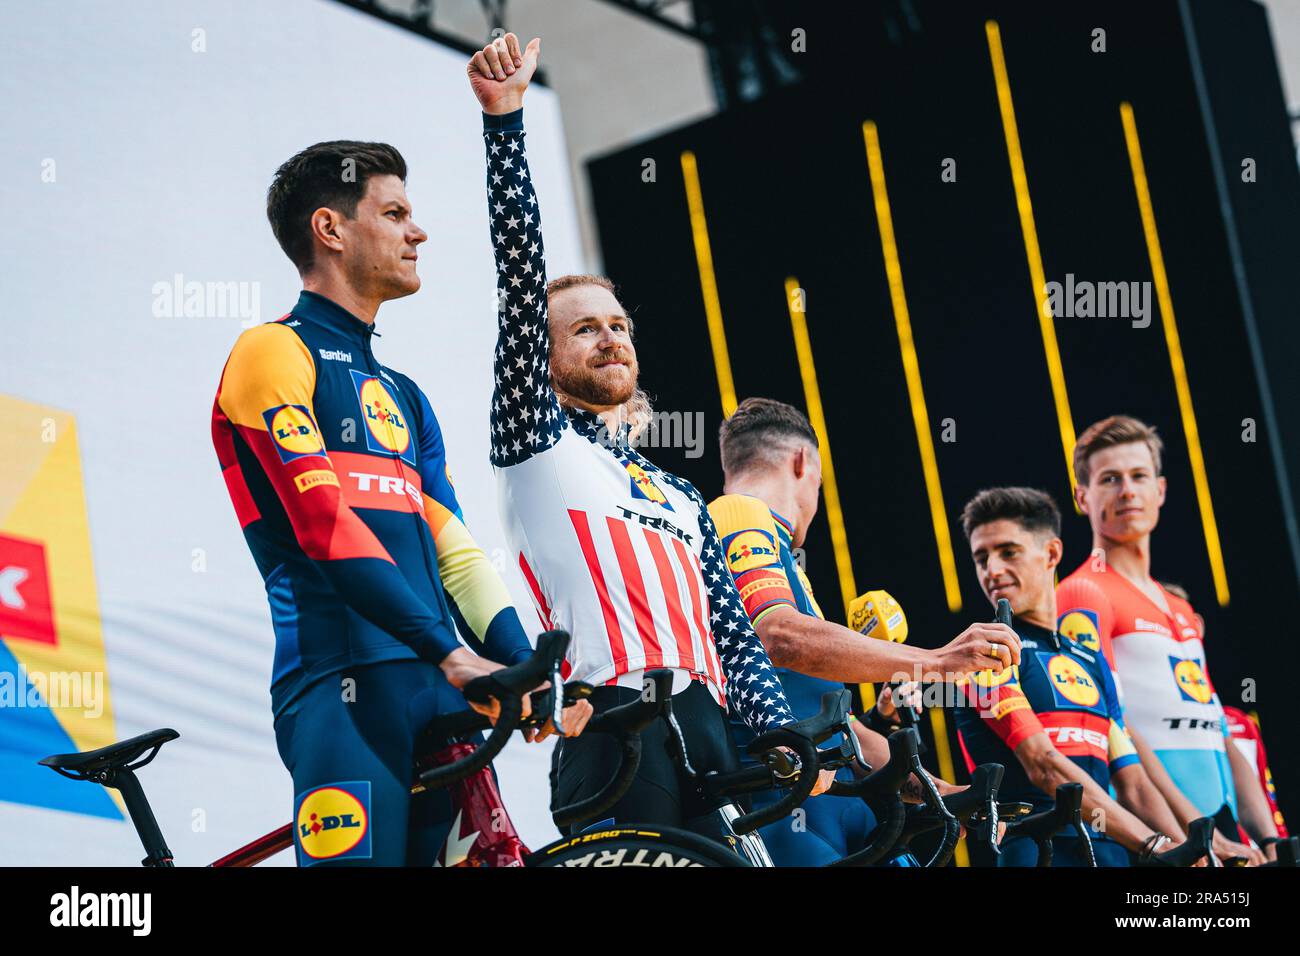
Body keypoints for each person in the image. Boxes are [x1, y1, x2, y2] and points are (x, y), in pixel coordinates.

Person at [212, 133, 590, 866]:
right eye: (394, 213)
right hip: (341, 693)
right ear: (330, 229)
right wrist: (451, 651)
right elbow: (324, 528)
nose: (417, 231)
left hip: (439, 692)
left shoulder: (404, 395)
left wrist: (520, 662)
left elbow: (456, 551)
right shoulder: (271, 351)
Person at [467, 35, 809, 843]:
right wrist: (505, 128)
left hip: (708, 726)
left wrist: (776, 733)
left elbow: (731, 633)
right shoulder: (537, 443)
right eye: (583, 329)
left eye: (618, 326)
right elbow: (521, 286)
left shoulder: (681, 493)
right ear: (541, 359)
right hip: (614, 727)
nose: (611, 340)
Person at [708, 397, 1024, 864]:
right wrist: (936, 661)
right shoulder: (738, 511)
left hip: (832, 804)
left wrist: (945, 793)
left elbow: (845, 726)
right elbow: (779, 637)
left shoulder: (786, 562)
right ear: (803, 463)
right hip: (782, 803)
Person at [1055, 415, 1275, 863]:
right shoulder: (1084, 592)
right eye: (1110, 479)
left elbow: (1216, 724)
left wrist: (1269, 838)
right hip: (1163, 837)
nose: (1127, 491)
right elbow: (1116, 725)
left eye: (1139, 476)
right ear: (1083, 497)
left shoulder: (1178, 608)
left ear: (1161, 490)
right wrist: (1195, 835)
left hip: (1221, 829)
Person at [955, 486, 1191, 866]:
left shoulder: (1090, 659)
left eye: (1008, 552)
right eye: (981, 558)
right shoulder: (985, 654)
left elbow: (1133, 783)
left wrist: (1187, 850)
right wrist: (1152, 843)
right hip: (1036, 851)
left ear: (1051, 553)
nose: (992, 570)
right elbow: (1043, 764)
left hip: (1112, 849)